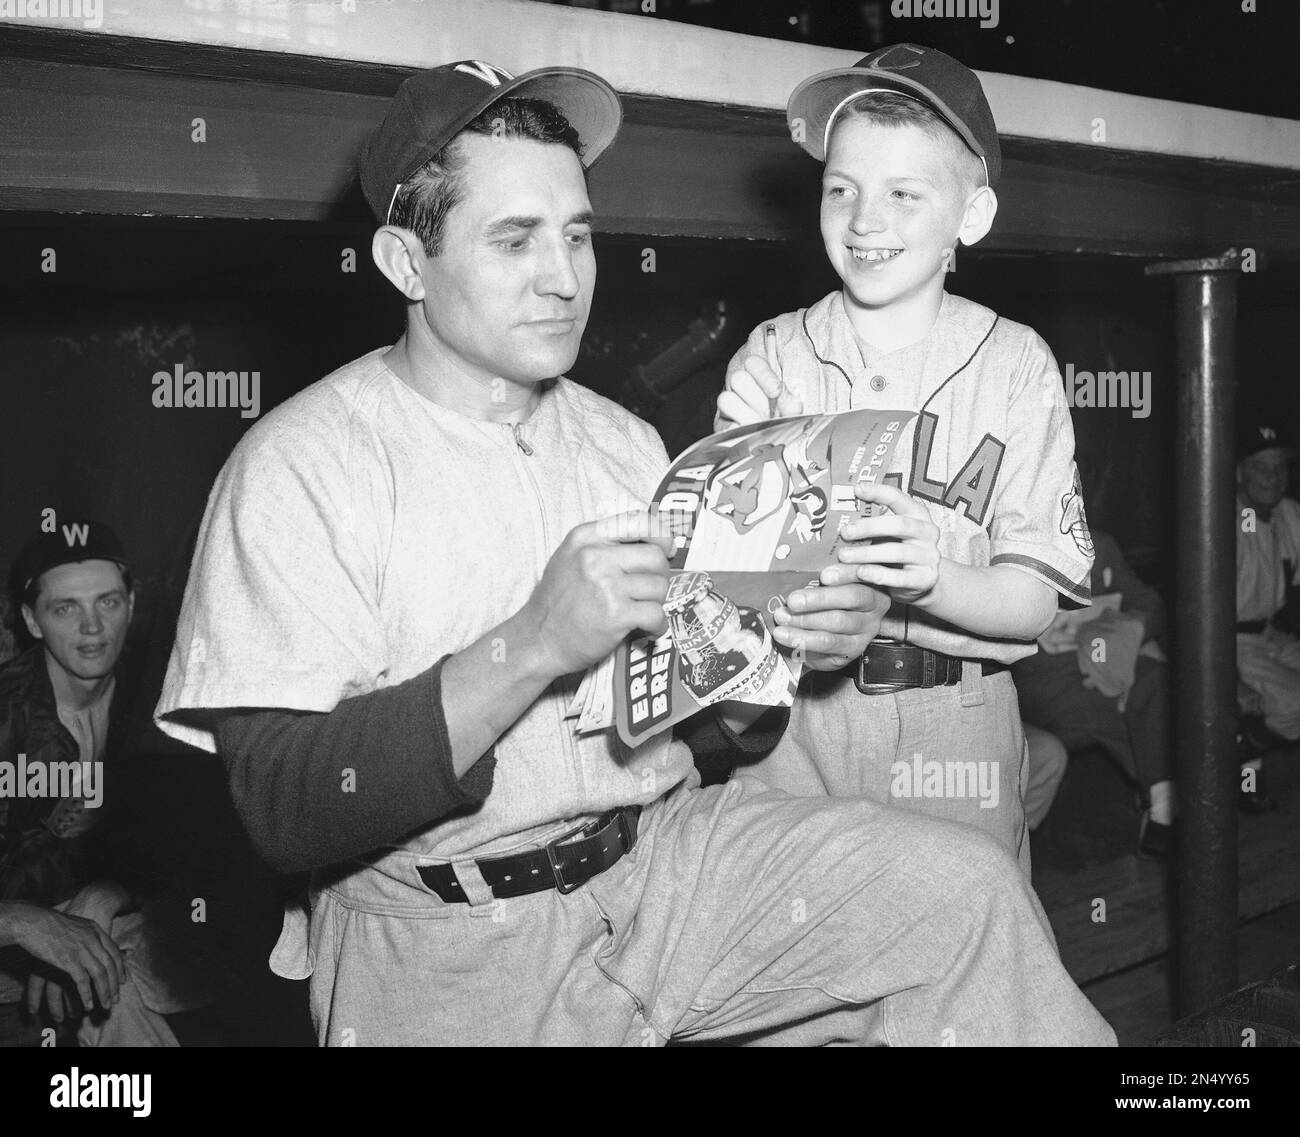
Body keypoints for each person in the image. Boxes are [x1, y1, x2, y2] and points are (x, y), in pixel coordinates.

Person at [156, 60, 1114, 1046]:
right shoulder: (299, 467)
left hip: (667, 870)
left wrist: (805, 644)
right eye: (514, 239)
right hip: (448, 944)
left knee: (964, 895)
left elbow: (708, 717)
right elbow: (284, 807)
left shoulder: (624, 443)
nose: (563, 277)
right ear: (405, 262)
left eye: (576, 234)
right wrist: (528, 645)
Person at [714, 44, 1092, 874]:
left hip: (958, 719)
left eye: (903, 194)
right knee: (800, 973)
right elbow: (722, 582)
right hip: (803, 723)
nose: (863, 220)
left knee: (968, 963)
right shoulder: (777, 354)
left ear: (973, 215)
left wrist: (938, 579)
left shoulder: (1017, 364)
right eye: (841, 189)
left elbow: (1033, 601)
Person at [0, 525, 180, 1045]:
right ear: (32, 620)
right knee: (115, 995)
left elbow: (191, 847)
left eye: (107, 602)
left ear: (132, 602)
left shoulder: (165, 701)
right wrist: (29, 927)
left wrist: (104, 898)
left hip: (119, 924)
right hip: (14, 947)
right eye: (65, 609)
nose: (93, 627)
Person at [1012, 527, 1175, 856]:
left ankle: (1162, 812)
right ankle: (1165, 801)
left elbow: (1150, 604)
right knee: (1125, 708)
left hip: (1108, 665)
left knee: (1157, 679)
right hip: (1041, 683)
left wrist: (1127, 631)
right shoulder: (1014, 545)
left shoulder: (1098, 544)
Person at [1235, 412, 1300, 779]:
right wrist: (1232, 681)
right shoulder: (1219, 518)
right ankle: (1237, 757)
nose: (1273, 478)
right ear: (1239, 471)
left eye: (1280, 467)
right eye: (1261, 467)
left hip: (1270, 634)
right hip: (1230, 641)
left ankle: (1248, 755)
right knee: (1293, 703)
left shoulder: (1289, 513)